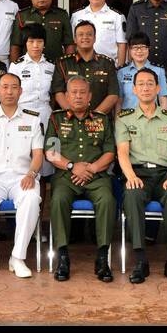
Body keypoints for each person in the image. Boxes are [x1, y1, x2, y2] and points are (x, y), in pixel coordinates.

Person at [116, 68, 167, 285]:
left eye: (150, 84)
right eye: (141, 84)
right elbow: (122, 152)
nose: (146, 88)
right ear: (134, 89)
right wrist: (130, 176)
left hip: (165, 174)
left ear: (158, 88)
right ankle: (140, 260)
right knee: (132, 195)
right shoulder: (124, 119)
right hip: (137, 173)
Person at [45, 76, 117, 282]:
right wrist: (71, 166)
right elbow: (50, 152)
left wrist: (92, 168)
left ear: (90, 96)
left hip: (97, 176)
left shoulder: (102, 119)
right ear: (66, 96)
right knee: (58, 200)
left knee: (107, 200)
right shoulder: (56, 119)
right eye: (73, 93)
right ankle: (63, 256)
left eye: (82, 92)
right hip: (66, 176)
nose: (78, 96)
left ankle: (103, 257)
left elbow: (110, 152)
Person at [0, 73, 44, 278]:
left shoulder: (32, 118)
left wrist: (31, 174)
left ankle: (18, 257)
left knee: (31, 199)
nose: (9, 91)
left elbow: (38, 154)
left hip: (23, 176)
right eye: (5, 87)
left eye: (14, 87)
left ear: (21, 91)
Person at [52, 20, 119, 115]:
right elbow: (58, 93)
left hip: (99, 122)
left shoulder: (107, 63)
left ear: (95, 38)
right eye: (81, 34)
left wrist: (94, 116)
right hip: (70, 122)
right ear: (75, 39)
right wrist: (75, 117)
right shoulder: (63, 63)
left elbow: (113, 94)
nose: (85, 37)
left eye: (89, 34)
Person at [8, 0, 73, 64]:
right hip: (28, 67)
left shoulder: (61, 15)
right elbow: (15, 45)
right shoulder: (22, 16)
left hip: (56, 66)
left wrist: (69, 66)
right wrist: (14, 67)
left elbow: (68, 44)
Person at [70, 0, 127, 65]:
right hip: (81, 66)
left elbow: (122, 44)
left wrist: (120, 67)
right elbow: (73, 43)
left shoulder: (117, 16)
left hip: (108, 67)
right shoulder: (76, 15)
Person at [8, 24, 56, 126]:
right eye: (31, 41)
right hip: (23, 112)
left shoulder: (51, 66)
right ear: (25, 43)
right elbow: (10, 93)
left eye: (39, 41)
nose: (35, 45)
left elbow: (54, 93)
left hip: (45, 113)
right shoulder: (16, 66)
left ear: (44, 43)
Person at [116, 32, 167, 112]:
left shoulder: (159, 71)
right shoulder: (122, 72)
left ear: (149, 48)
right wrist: (117, 122)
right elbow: (119, 101)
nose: (139, 51)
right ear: (129, 50)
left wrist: (164, 122)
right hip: (127, 118)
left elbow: (163, 100)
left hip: (151, 117)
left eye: (143, 47)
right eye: (135, 47)